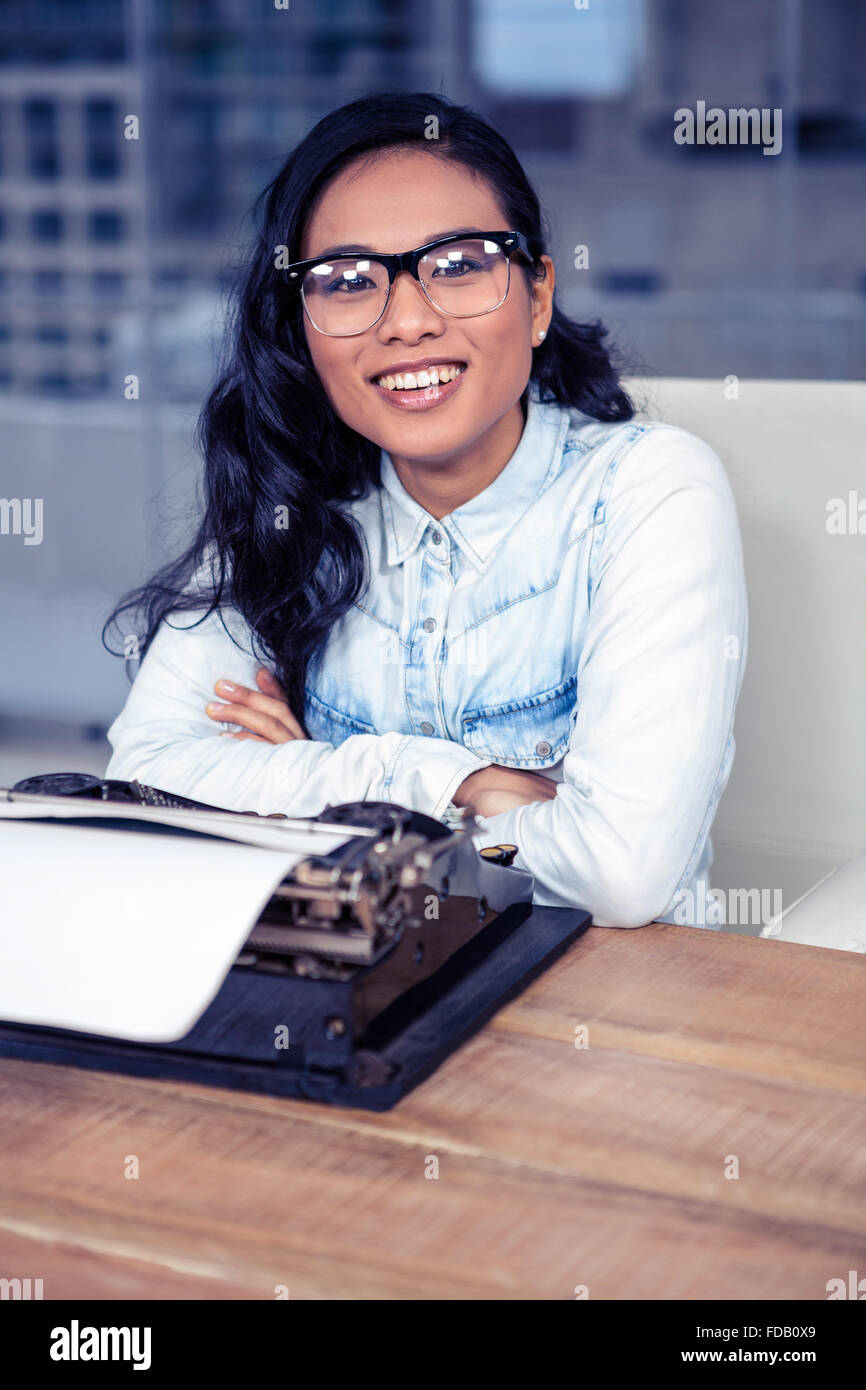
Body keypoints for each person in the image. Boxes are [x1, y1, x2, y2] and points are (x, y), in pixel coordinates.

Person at [102, 92, 747, 929]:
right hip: (349, 998)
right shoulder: (286, 500)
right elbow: (146, 782)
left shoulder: (650, 491)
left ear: (538, 296)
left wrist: (309, 779)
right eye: (347, 281)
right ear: (302, 329)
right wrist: (446, 786)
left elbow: (619, 873)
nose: (407, 321)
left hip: (617, 1018)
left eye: (459, 265)